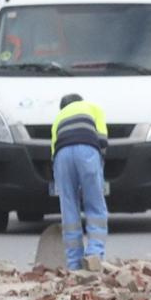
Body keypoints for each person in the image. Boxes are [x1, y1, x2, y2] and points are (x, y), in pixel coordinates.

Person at [51, 92, 109, 272]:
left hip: (62, 156)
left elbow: (53, 153)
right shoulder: (93, 108)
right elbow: (102, 140)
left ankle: (74, 263)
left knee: (68, 208)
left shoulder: (58, 118)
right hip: (87, 149)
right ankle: (94, 255)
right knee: (95, 204)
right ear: (80, 102)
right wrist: (97, 172)